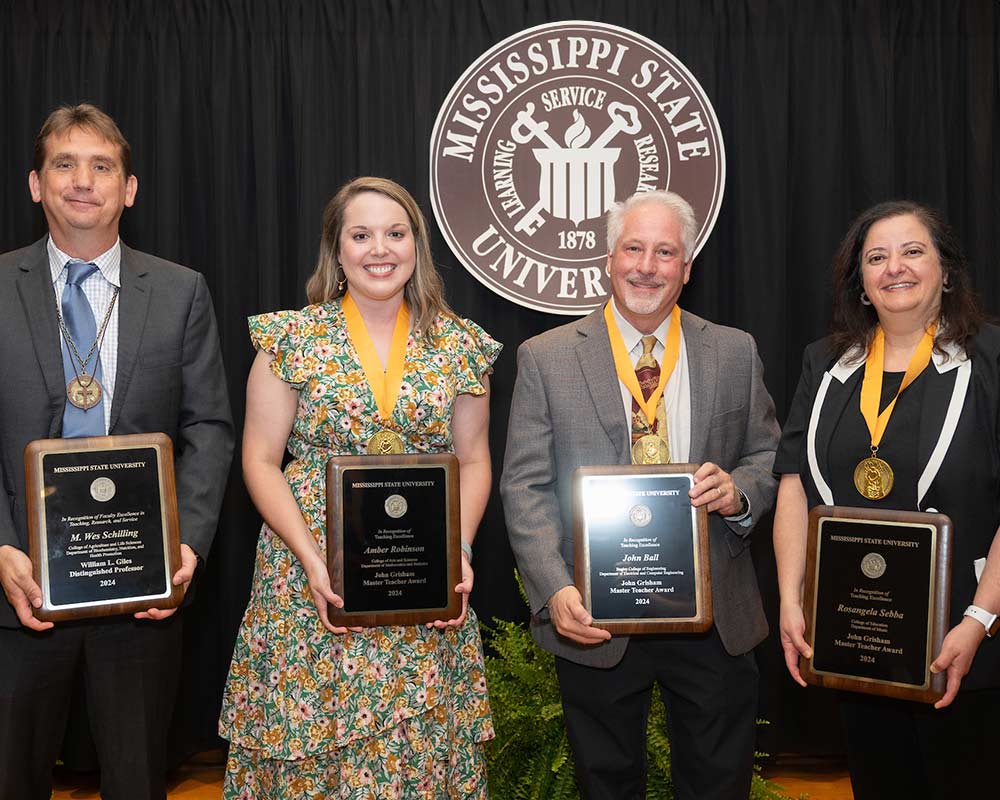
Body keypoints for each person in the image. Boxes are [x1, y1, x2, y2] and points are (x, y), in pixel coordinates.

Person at [220, 177, 498, 798]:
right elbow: (260, 461)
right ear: (337, 250)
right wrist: (312, 560)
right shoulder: (289, 340)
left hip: (422, 578)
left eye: (396, 233)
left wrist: (462, 549)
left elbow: (474, 460)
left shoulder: (460, 345)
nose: (381, 248)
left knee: (420, 757)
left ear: (416, 246)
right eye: (362, 234)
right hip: (309, 577)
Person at [500, 190, 780, 800]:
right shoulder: (545, 358)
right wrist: (554, 588)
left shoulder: (735, 351)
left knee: (717, 782)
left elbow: (766, 456)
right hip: (596, 616)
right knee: (606, 782)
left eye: (665, 252)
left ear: (687, 266)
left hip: (714, 614)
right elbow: (525, 487)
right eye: (634, 248)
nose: (646, 266)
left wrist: (739, 493)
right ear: (609, 257)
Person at [0, 104, 234, 800]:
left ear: (128, 189)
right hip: (18, 585)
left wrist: (185, 547)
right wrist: (0, 550)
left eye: (102, 166)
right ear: (36, 184)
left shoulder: (180, 291)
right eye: (64, 164)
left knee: (136, 778)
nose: (83, 181)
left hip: (142, 592)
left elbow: (211, 429)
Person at [774, 200, 1000, 799]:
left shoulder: (992, 360)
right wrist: (792, 597)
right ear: (862, 282)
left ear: (946, 271)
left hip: (967, 638)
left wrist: (979, 620)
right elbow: (793, 482)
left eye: (912, 251)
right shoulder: (824, 364)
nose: (894, 267)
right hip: (858, 638)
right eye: (876, 257)